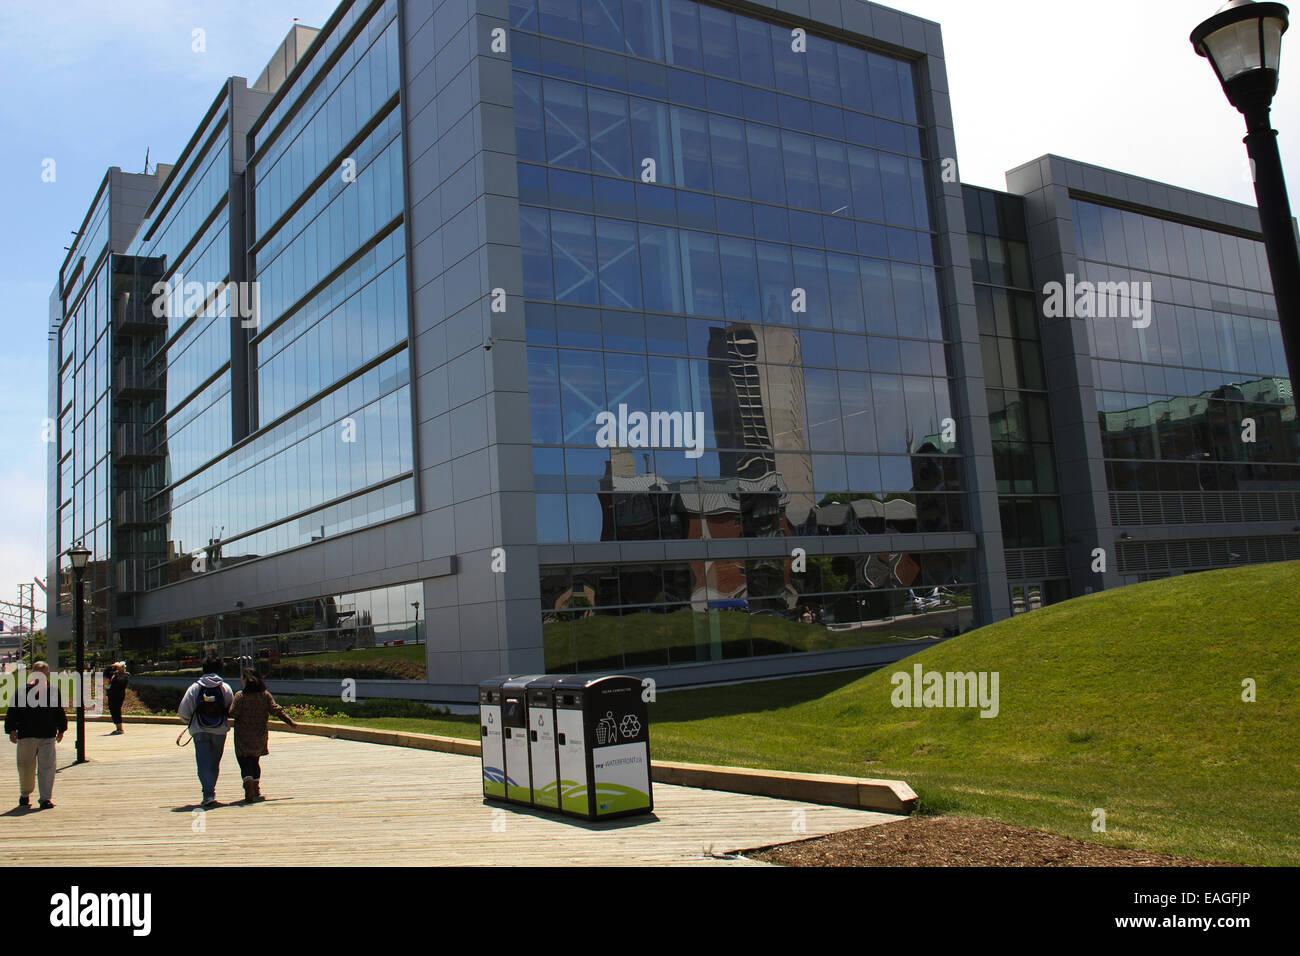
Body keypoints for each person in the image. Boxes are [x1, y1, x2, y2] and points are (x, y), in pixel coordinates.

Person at [4, 662, 67, 810]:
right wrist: (12, 730)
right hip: (27, 734)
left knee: (48, 766)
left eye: (44, 673)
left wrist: (62, 728)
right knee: (25, 766)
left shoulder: (53, 691)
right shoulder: (22, 691)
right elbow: (13, 711)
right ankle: (25, 793)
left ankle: (45, 798)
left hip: (47, 734)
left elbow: (58, 710)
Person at [229, 668, 296, 803]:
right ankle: (256, 787)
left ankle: (248, 786)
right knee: (255, 761)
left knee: (244, 762)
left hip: (243, 737)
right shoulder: (265, 695)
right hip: (259, 736)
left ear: (245, 681)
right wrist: (290, 722)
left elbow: (232, 713)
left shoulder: (240, 696)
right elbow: (276, 710)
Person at [177, 658, 234, 808]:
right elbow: (231, 708)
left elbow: (183, 712)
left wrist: (192, 722)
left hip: (200, 731)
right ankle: (211, 792)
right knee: (214, 763)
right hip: (220, 731)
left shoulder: (194, 688)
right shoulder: (225, 687)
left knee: (203, 764)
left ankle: (208, 794)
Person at [106, 662, 129, 734]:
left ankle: (120, 729)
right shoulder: (114, 675)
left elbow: (119, 683)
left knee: (116, 710)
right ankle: (118, 727)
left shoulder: (124, 676)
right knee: (113, 710)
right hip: (112, 695)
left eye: (120, 667)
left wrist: (117, 673)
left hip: (118, 696)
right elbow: (106, 672)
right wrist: (112, 666)